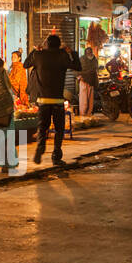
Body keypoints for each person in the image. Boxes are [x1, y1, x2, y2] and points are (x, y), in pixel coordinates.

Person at [25, 35, 81, 165]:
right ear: (59, 45)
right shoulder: (62, 56)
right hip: (57, 101)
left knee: (42, 127)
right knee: (59, 129)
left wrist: (35, 51)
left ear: (47, 44)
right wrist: (72, 52)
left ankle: (40, 148)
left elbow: (25, 64)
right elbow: (78, 67)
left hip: (43, 101)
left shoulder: (39, 55)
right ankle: (56, 156)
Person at [79, 46, 99, 115]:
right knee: (83, 99)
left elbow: (96, 69)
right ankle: (83, 113)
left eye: (90, 52)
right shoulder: (82, 59)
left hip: (91, 81)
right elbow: (76, 69)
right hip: (84, 81)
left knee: (90, 100)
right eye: (88, 52)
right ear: (86, 53)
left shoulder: (94, 59)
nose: (89, 54)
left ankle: (88, 114)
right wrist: (79, 76)